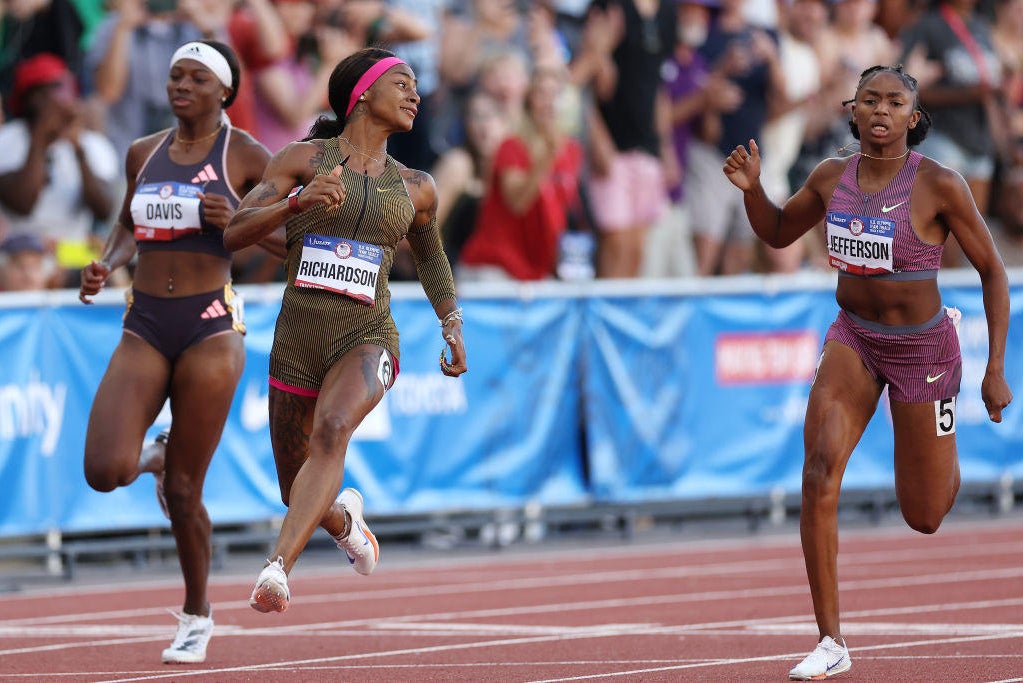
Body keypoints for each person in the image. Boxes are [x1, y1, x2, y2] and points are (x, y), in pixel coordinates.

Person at [722, 65, 1012, 679]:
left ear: (914, 117)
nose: (881, 110)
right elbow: (778, 232)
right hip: (853, 337)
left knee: (925, 514)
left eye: (895, 102)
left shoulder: (941, 184)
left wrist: (995, 370)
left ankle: (941, 446)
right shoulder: (830, 177)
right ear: (852, 110)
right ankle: (831, 641)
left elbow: (993, 270)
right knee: (818, 471)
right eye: (870, 100)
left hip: (923, 351)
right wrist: (752, 190)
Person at [222, 47, 467, 614]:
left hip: (368, 334)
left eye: (416, 86)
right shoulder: (302, 160)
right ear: (363, 93)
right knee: (296, 489)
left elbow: (430, 255)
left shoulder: (416, 187)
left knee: (333, 430)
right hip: (297, 341)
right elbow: (235, 231)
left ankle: (276, 570)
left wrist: (451, 323)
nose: (415, 95)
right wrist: (294, 204)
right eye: (402, 83)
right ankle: (345, 522)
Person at [78, 40, 278, 664]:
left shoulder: (246, 154)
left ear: (225, 90)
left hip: (210, 327)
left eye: (196, 78)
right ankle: (154, 458)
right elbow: (127, 224)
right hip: (145, 322)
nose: (180, 86)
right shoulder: (143, 151)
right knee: (104, 469)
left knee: (188, 493)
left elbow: (289, 236)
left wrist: (237, 216)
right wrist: (105, 263)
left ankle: (196, 614)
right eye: (174, 76)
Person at [0, 53, 119, 286]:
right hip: (19, 255)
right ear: (31, 98)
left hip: (72, 254)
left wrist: (77, 148)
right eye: (50, 91)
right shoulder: (8, 140)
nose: (61, 100)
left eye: (63, 89)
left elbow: (104, 210)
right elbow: (23, 204)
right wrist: (41, 137)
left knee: (106, 272)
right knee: (27, 270)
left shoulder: (92, 144)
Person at [457, 65, 584, 281]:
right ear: (529, 100)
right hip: (496, 265)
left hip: (538, 269)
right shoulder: (511, 146)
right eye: (542, 93)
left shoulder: (572, 151)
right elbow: (517, 202)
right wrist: (545, 159)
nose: (550, 102)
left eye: (556, 94)